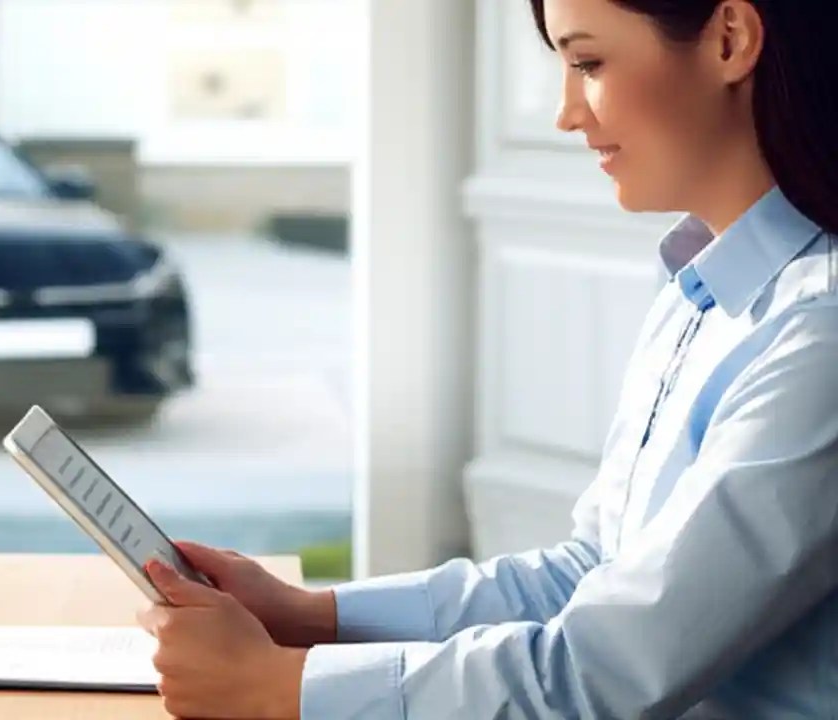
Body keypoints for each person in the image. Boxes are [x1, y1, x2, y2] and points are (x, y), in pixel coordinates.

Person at [135, 0, 838, 717]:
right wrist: (309, 615)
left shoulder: (817, 337)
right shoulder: (702, 290)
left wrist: (276, 688)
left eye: (588, 63)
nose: (567, 114)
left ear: (729, 40)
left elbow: (599, 676)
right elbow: (588, 576)